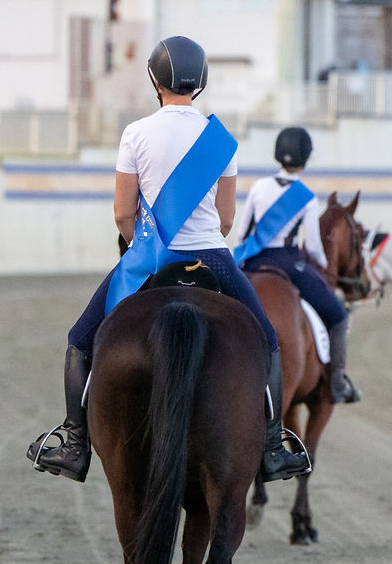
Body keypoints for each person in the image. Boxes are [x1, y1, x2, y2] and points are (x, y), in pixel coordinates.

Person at [25, 36, 311, 484]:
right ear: (201, 83)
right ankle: (273, 447)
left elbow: (123, 212)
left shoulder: (136, 133)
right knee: (269, 340)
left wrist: (142, 247)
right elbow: (226, 218)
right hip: (212, 258)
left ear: (154, 80)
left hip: (149, 259)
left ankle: (76, 443)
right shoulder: (222, 142)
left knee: (80, 339)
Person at [233, 126, 360, 404]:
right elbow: (313, 246)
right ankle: (337, 382)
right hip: (289, 263)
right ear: (305, 159)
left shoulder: (257, 187)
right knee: (338, 315)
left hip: (253, 262)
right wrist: (326, 267)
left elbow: (243, 233)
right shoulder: (307, 197)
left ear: (278, 154)